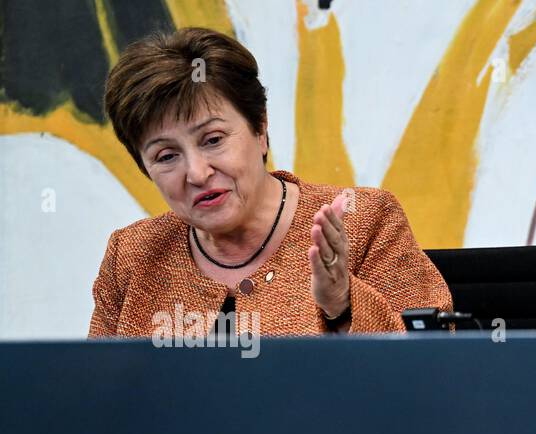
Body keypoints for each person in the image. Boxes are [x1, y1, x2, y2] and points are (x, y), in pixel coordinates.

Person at [89, 27, 451, 338]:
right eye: (167, 156)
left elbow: (434, 374)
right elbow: (95, 399)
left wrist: (342, 304)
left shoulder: (365, 221)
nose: (197, 173)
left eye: (213, 139)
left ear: (260, 130)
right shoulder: (132, 256)